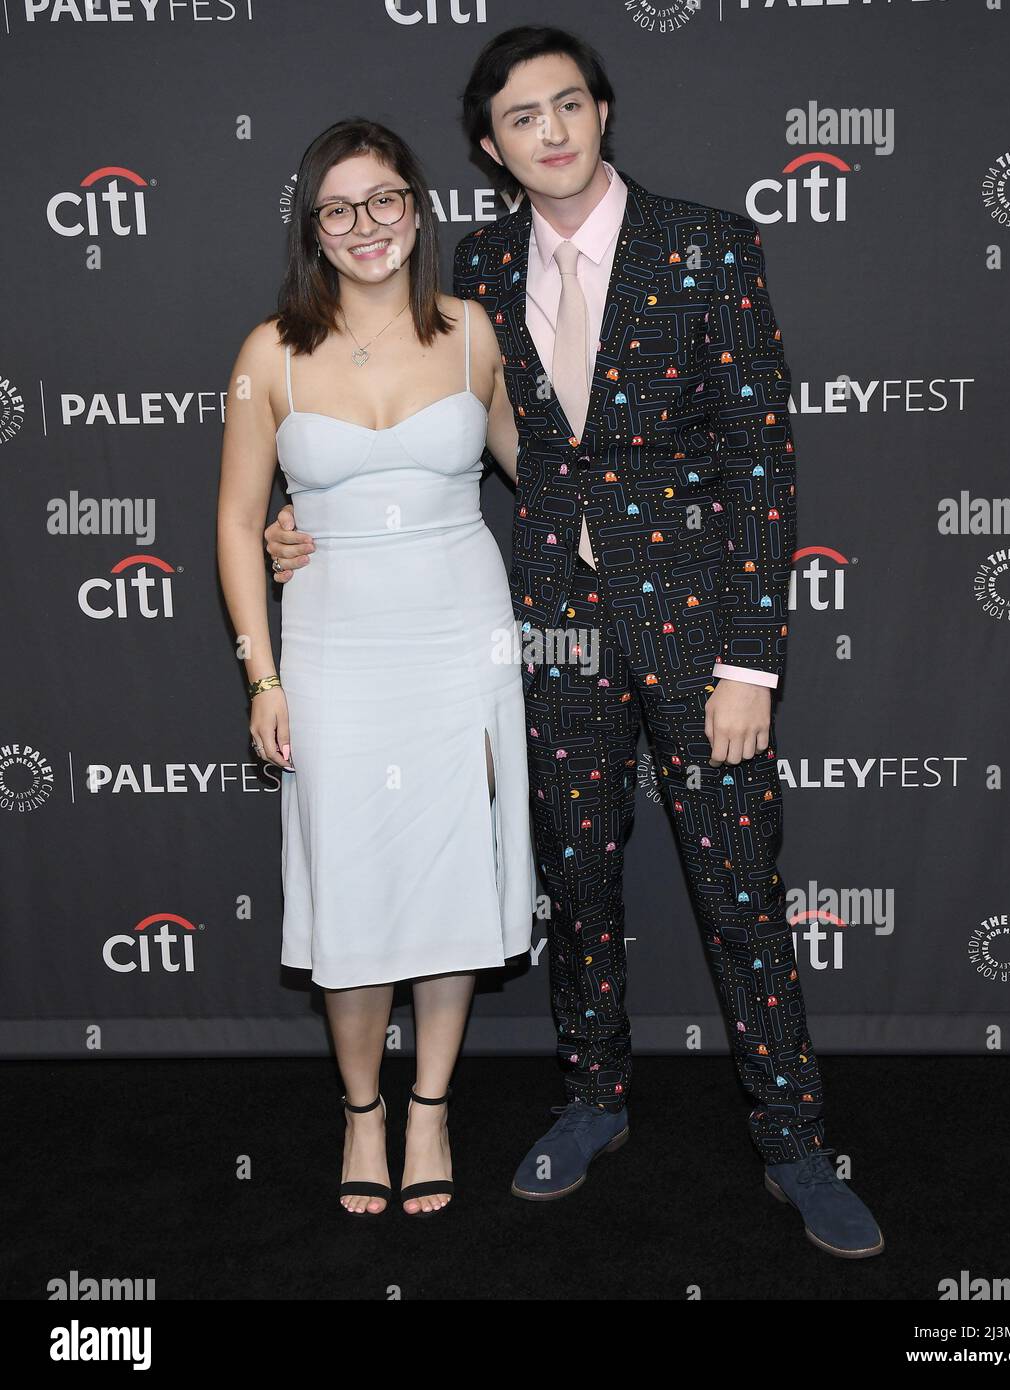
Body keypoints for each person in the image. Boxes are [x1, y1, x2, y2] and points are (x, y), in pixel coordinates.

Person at [264, 27, 883, 1258]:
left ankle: (794, 1143)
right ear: (489, 150)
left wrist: (750, 657)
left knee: (736, 887)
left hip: (700, 623)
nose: (547, 132)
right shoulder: (475, 274)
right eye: (518, 120)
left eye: (565, 106)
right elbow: (403, 412)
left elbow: (763, 459)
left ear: (601, 110)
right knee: (577, 875)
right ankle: (594, 1098)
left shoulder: (707, 245)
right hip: (544, 622)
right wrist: (305, 512)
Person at [216, 117, 536, 1218]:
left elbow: (539, 475)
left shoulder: (470, 333)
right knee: (350, 891)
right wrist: (263, 678)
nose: (366, 226)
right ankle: (362, 1111)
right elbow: (232, 519)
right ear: (313, 227)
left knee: (451, 881)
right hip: (336, 650)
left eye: (384, 199)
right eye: (339, 208)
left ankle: (432, 1104)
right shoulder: (271, 354)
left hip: (462, 638)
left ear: (416, 206)